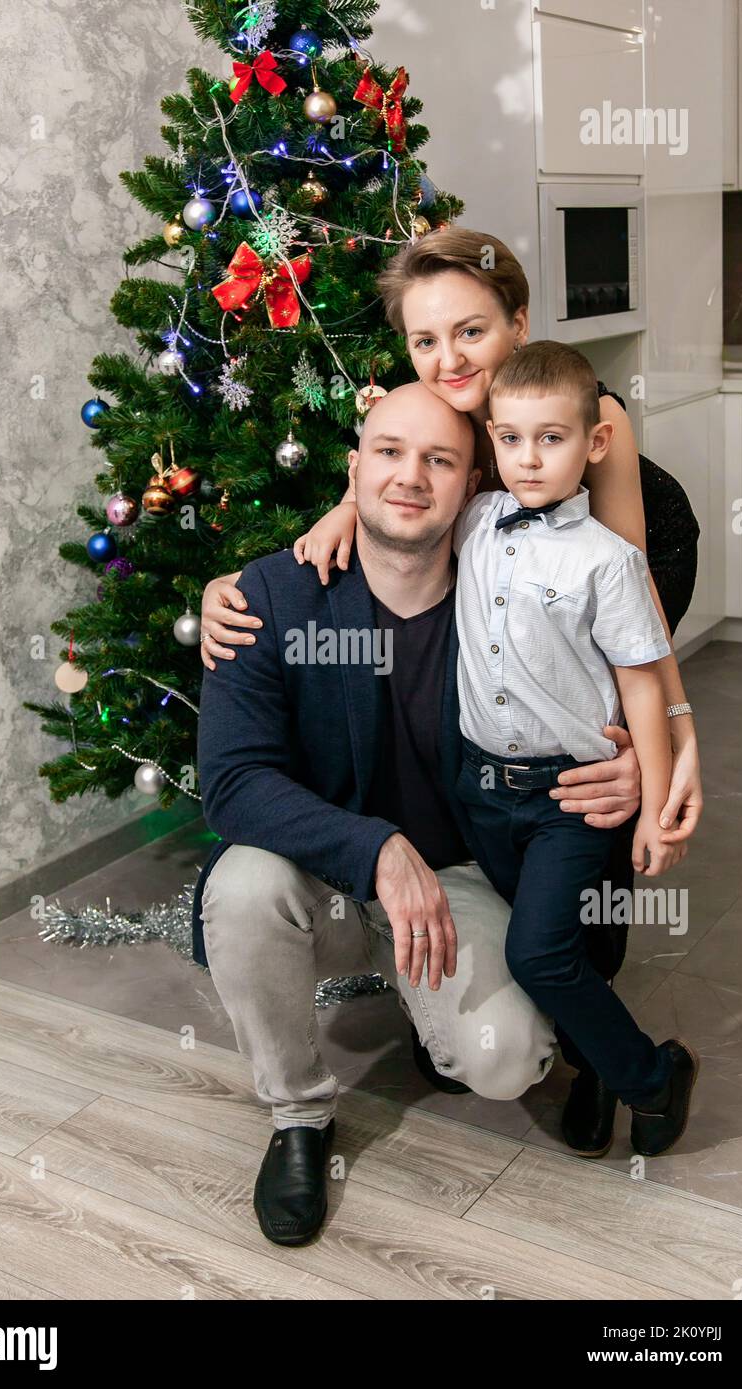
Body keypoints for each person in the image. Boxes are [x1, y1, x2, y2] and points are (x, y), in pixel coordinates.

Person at [199, 227, 703, 1158]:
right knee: (253, 885)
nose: (448, 360)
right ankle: (301, 1116)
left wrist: (661, 739)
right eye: (424, 342)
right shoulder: (395, 506)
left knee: (552, 929)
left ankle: (593, 1052)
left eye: (470, 332)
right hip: (432, 809)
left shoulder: (584, 427)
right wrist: (339, 514)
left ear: (518, 322)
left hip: (599, 654)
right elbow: (405, 466)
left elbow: (632, 620)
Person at [195, 382, 645, 1247]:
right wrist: (376, 850)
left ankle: (431, 1014)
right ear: (354, 468)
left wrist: (626, 767)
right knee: (243, 885)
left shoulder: (515, 599)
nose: (410, 476)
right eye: (390, 452)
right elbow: (234, 781)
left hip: (461, 880)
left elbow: (608, 702)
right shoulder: (269, 599)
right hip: (325, 880)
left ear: (473, 482)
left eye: (438, 459)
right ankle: (297, 1118)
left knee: (504, 1059)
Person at [450, 338, 699, 1154]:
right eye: (511, 437)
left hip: (572, 793)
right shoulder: (475, 520)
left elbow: (642, 690)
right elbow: (388, 496)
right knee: (569, 941)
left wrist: (654, 811)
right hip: (481, 790)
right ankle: (588, 1061)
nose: (528, 458)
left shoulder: (609, 562)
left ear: (594, 444)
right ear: (490, 437)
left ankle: (650, 1076)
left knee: (538, 951)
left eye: (551, 438)